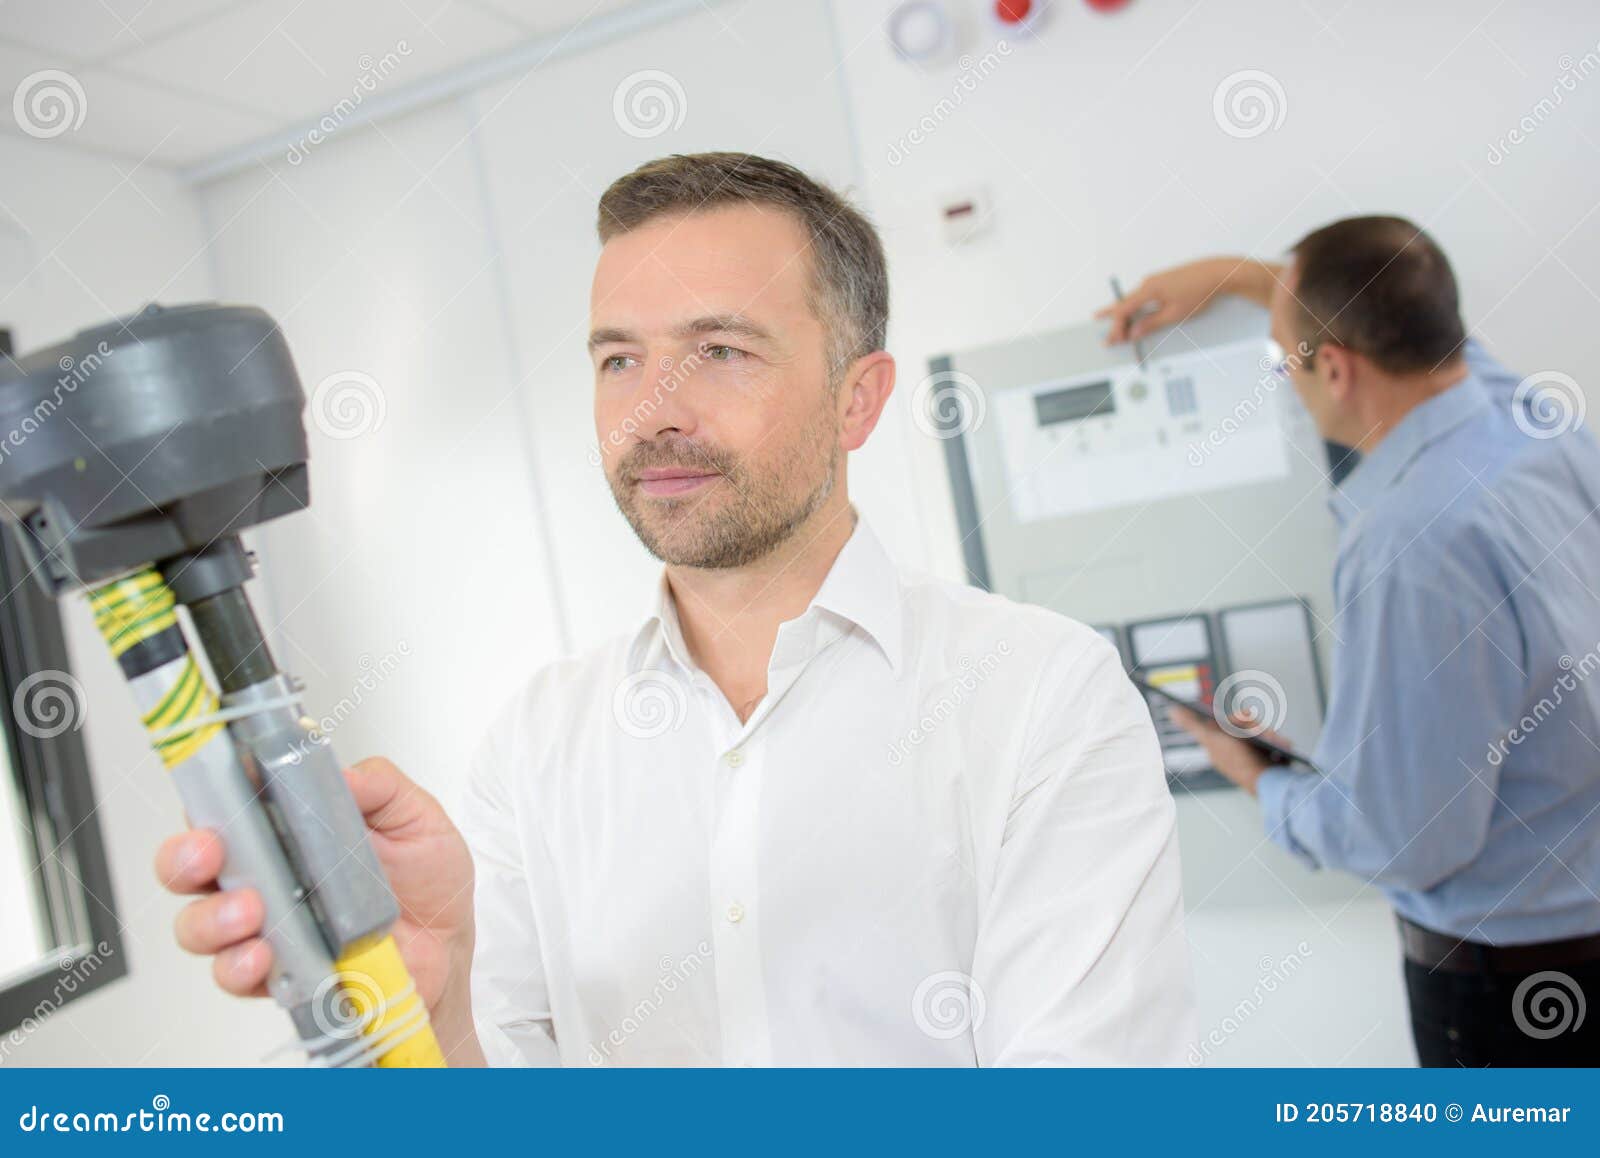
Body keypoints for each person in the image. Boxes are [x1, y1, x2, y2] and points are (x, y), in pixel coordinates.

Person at [155, 152, 1195, 1066]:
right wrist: (441, 1011)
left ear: (858, 398)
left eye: (721, 351)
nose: (653, 412)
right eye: (620, 361)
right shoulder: (537, 743)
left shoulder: (1039, 695)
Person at [1098, 218, 1600, 1067]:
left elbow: (1407, 839)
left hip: (1515, 1000)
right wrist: (1243, 277)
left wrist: (1261, 780)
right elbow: (1408, 317)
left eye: (1282, 360)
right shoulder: (1533, 421)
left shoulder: (1409, 542)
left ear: (1334, 368)